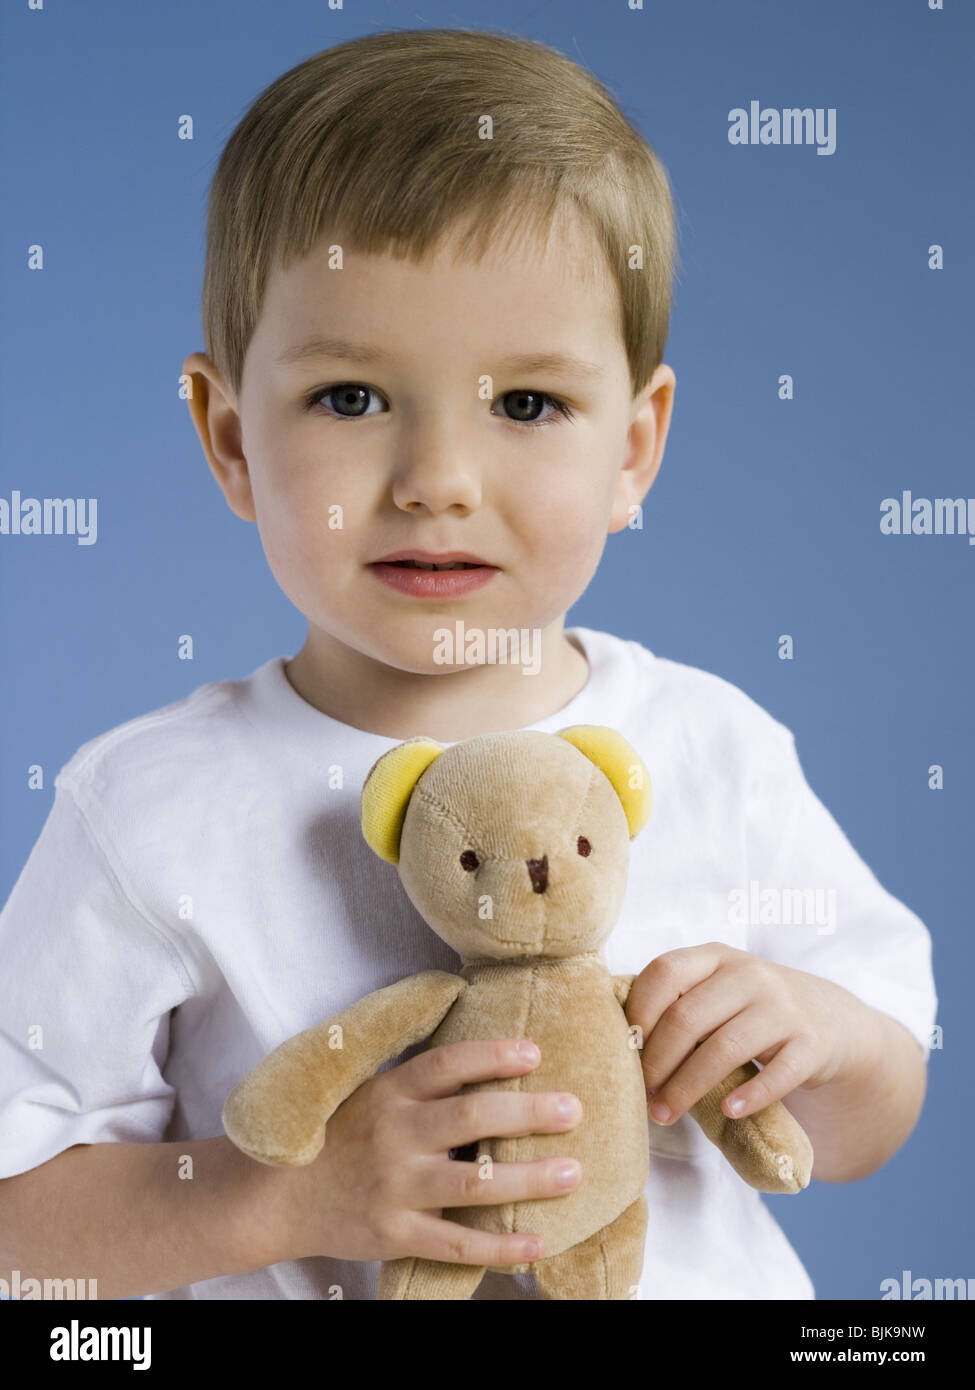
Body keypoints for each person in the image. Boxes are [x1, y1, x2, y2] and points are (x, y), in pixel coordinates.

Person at [0, 28, 936, 1301]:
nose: (437, 481)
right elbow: (19, 1212)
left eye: (527, 405)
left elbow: (870, 1119)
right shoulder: (146, 807)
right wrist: (287, 1193)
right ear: (229, 436)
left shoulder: (720, 748)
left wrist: (818, 1037)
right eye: (349, 397)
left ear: (634, 449)